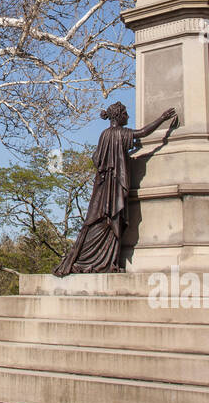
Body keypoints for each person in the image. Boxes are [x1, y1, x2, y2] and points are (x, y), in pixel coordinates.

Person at [52, 102, 177, 276]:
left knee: (102, 220)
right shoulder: (119, 133)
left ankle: (95, 260)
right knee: (109, 220)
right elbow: (142, 133)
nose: (128, 116)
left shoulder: (104, 135)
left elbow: (96, 157)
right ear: (118, 116)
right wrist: (163, 119)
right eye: (125, 113)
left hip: (103, 186)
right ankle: (97, 261)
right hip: (114, 186)